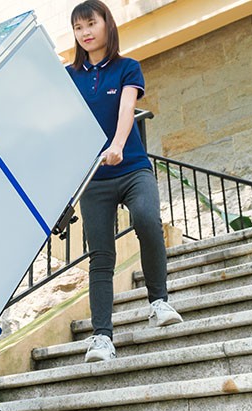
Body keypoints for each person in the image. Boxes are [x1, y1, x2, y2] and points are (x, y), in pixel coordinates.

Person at [66, 0, 183, 363]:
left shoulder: (127, 68)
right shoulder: (69, 77)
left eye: (90, 24)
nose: (85, 33)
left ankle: (159, 302)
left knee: (147, 220)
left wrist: (117, 146)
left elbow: (126, 112)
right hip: (95, 180)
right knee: (101, 255)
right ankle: (102, 338)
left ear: (106, 24)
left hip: (131, 167)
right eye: (78, 28)